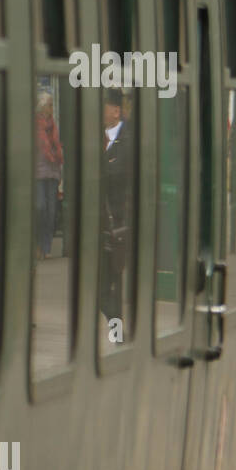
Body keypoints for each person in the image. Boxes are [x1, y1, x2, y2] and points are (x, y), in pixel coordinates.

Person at [100, 90, 133, 324]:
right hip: (99, 225)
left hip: (117, 225)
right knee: (100, 289)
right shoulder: (95, 138)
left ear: (115, 111)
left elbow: (122, 175)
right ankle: (119, 333)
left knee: (110, 286)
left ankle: (118, 334)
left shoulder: (128, 141)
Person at [35, 92, 64, 260]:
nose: (52, 108)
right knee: (40, 208)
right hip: (38, 174)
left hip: (52, 174)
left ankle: (45, 248)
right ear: (42, 107)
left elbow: (57, 148)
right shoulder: (34, 125)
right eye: (50, 105)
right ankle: (38, 244)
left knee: (51, 212)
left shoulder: (53, 126)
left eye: (52, 105)